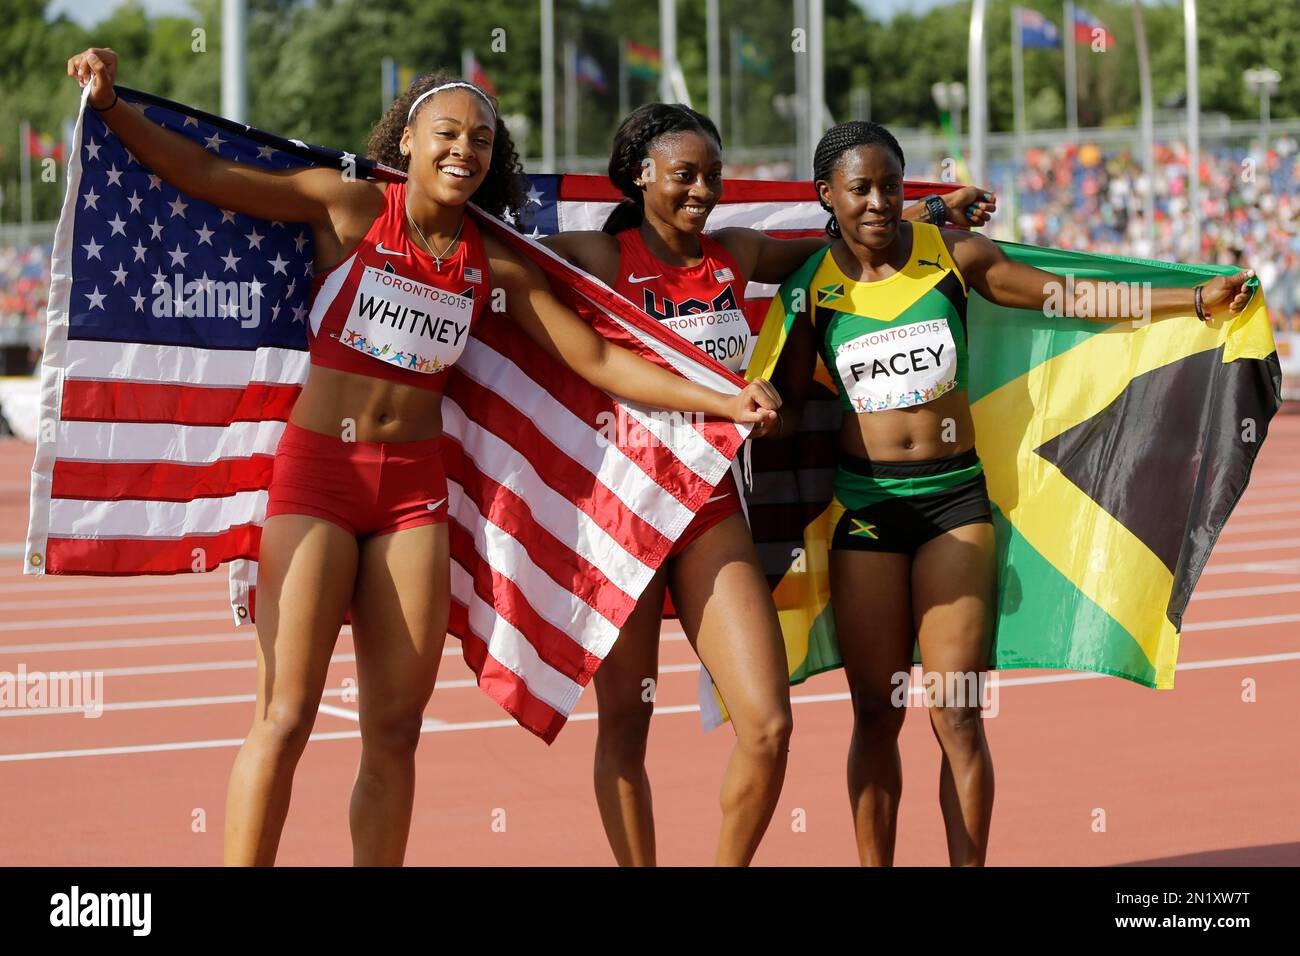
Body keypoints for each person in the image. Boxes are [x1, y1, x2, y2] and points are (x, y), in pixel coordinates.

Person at [67, 49, 780, 867]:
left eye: (482, 140)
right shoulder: (348, 208)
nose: (464, 151)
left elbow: (595, 358)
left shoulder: (492, 262)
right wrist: (115, 106)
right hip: (318, 482)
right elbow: (203, 170)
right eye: (447, 133)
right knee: (287, 714)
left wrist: (726, 400)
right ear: (407, 141)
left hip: (411, 495)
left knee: (396, 729)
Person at [773, 120, 1255, 866]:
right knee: (875, 713)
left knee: (959, 714)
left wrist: (1188, 305)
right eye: (860, 188)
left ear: (908, 191)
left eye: (891, 186)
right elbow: (785, 407)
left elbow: (1065, 297)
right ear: (826, 196)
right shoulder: (811, 289)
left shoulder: (953, 254)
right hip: (866, 510)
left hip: (953, 507)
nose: (876, 201)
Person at [540, 103, 995, 866]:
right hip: (624, 511)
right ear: (639, 177)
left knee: (769, 725)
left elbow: (844, 237)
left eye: (713, 176)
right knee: (625, 725)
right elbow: (511, 258)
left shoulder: (736, 253)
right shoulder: (601, 254)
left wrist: (929, 210)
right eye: (685, 175)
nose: (703, 191)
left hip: (711, 508)